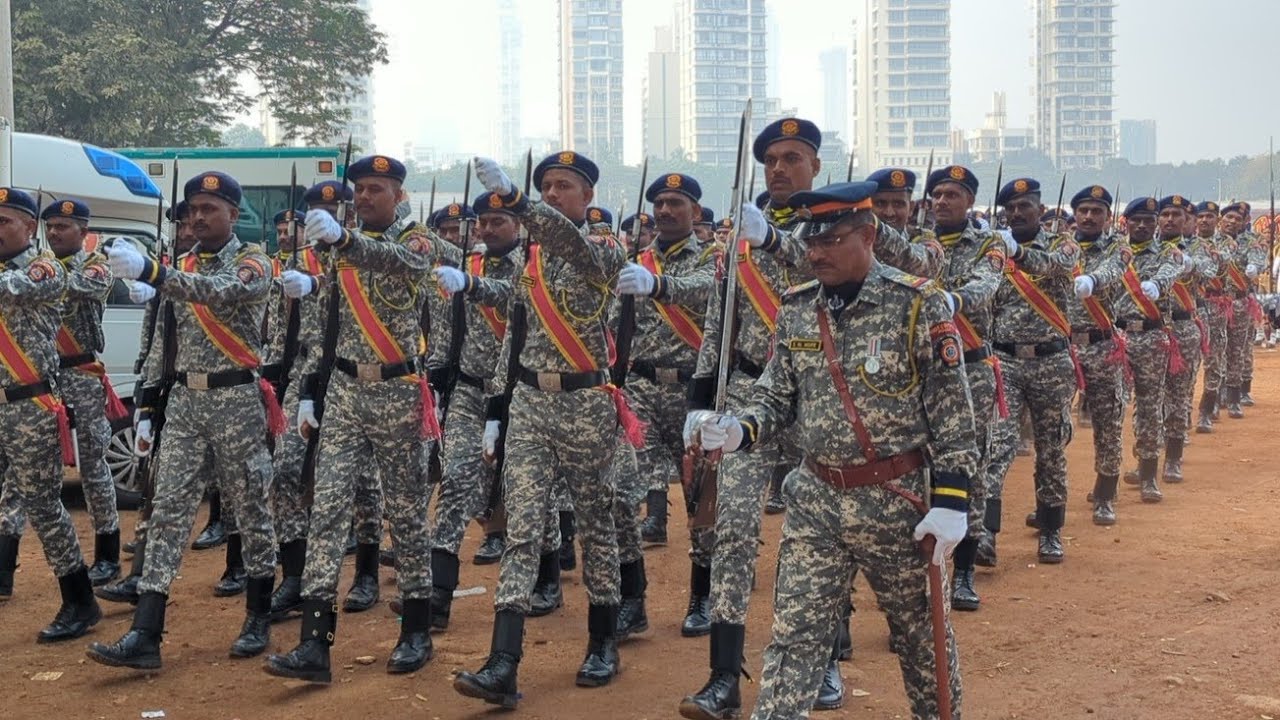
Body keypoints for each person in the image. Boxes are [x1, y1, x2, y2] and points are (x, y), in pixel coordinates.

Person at [687, 181, 976, 720]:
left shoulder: (916, 303)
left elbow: (954, 415)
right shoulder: (797, 307)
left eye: (830, 240)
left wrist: (952, 502)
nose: (814, 252)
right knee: (794, 637)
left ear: (867, 235)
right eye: (809, 241)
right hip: (817, 499)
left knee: (919, 638)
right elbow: (777, 393)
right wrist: (740, 430)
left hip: (894, 503)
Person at [453, 151, 629, 707]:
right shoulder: (529, 259)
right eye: (545, 186)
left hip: (585, 404)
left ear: (588, 197)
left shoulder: (604, 247)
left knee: (596, 524)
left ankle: (602, 641)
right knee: (525, 527)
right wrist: (496, 410)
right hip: (531, 402)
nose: (553, 194)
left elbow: (568, 242)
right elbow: (516, 334)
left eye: (564, 186)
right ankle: (503, 661)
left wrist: (522, 203)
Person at [88, 172, 278, 667]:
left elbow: (219, 293)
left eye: (210, 208)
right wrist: (148, 405)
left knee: (250, 509)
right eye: (193, 207)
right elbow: (165, 344)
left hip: (236, 398)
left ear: (234, 215)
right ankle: (146, 632)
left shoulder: (254, 261)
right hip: (187, 404)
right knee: (168, 510)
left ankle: (257, 616)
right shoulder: (182, 265)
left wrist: (154, 272)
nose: (197, 216)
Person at [264, 156, 443, 681]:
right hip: (344, 389)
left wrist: (343, 241)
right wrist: (310, 395)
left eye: (376, 189)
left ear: (399, 195)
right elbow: (333, 321)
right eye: (359, 189)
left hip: (398, 390)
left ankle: (416, 629)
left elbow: (400, 267)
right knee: (326, 508)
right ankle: (314, 644)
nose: (364, 197)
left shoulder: (419, 240)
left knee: (406, 514)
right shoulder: (339, 249)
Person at [611, 172, 717, 643]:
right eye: (659, 203)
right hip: (641, 388)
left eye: (676, 202)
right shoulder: (638, 259)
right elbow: (614, 323)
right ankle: (632, 600)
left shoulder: (714, 257)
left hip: (695, 392)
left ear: (696, 211)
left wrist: (656, 284)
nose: (666, 210)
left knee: (703, 497)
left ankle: (703, 595)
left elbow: (702, 290)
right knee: (623, 489)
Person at [0, 199, 124, 589]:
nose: (55, 233)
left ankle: (107, 552)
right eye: (51, 227)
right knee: (19, 476)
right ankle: (5, 564)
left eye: (63, 227)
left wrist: (36, 268)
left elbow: (82, 286)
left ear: (83, 232)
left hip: (82, 372)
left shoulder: (92, 266)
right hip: (41, 376)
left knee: (92, 463)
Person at [429, 190, 525, 627]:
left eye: (497, 221)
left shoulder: (533, 266)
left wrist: (472, 284)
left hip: (519, 394)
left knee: (526, 492)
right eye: (481, 222)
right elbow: (448, 332)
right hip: (469, 391)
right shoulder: (466, 266)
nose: (487, 230)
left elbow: (508, 295)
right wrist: (436, 382)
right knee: (455, 481)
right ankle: (437, 593)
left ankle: (543, 575)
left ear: (518, 224)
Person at [918, 167, 1006, 611]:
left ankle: (965, 571)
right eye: (936, 194)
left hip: (970, 368)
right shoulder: (916, 241)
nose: (941, 201)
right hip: (921, 368)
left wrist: (953, 301)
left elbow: (986, 285)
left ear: (969, 201)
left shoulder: (988, 244)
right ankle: (920, 573)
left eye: (952, 194)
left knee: (968, 467)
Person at [985, 176, 1079, 564]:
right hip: (1005, 360)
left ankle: (1051, 528)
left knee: (1050, 448)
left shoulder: (1062, 245)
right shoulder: (992, 250)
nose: (1018, 213)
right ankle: (986, 533)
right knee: (998, 447)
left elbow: (1057, 266)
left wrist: (1018, 255)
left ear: (1041, 210)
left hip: (1051, 362)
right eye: (1011, 208)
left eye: (1026, 206)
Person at [262, 202, 323, 620]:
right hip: (294, 376)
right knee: (285, 472)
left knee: (359, 488)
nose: (286, 234)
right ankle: (296, 576)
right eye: (281, 229)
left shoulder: (336, 263)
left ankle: (369, 572)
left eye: (293, 228)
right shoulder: (279, 269)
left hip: (339, 380)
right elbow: (278, 332)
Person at [1059, 186, 1129, 526]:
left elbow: (1115, 270)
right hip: (1063, 347)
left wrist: (1092, 279)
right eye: (1083, 209)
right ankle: (1051, 497)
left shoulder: (1118, 247)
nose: (1088, 216)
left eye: (1096, 211)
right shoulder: (1059, 247)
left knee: (1107, 421)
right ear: (1075, 213)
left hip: (1102, 346)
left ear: (1107, 216)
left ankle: (1105, 493)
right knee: (1053, 423)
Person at [1112, 197, 1184, 502]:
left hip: (1151, 339)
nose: (1143, 225)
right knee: (1112, 409)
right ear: (1126, 222)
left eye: (1149, 221)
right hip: (1116, 337)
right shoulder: (1113, 253)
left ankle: (1148, 474)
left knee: (1150, 407)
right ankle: (1107, 478)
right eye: (1137, 220)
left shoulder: (1168, 252)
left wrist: (1158, 283)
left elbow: (1174, 268)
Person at [1157, 196, 1211, 483]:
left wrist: (1189, 264)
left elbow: (1210, 270)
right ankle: (1147, 459)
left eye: (1175, 215)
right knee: (1150, 400)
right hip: (1152, 332)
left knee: (1178, 396)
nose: (1169, 220)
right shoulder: (1146, 250)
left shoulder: (1197, 248)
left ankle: (1173, 458)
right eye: (1164, 214)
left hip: (1183, 328)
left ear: (1186, 219)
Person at [1218, 202, 1265, 417]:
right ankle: (1217, 394)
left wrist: (1255, 267)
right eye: (1229, 217)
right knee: (1217, 351)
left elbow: (1258, 259)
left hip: (1239, 302)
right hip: (1216, 304)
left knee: (1237, 351)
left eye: (1238, 219)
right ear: (1221, 219)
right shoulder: (1211, 242)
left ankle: (1235, 395)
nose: (1232, 221)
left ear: (1244, 222)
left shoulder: (1250, 242)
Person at [1195, 201, 1229, 432]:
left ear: (1217, 220)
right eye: (1201, 216)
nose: (1205, 220)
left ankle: (1208, 407)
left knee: (1214, 358)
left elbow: (1224, 261)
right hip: (1191, 308)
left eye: (1209, 216)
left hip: (1215, 305)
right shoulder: (1184, 244)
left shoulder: (1226, 245)